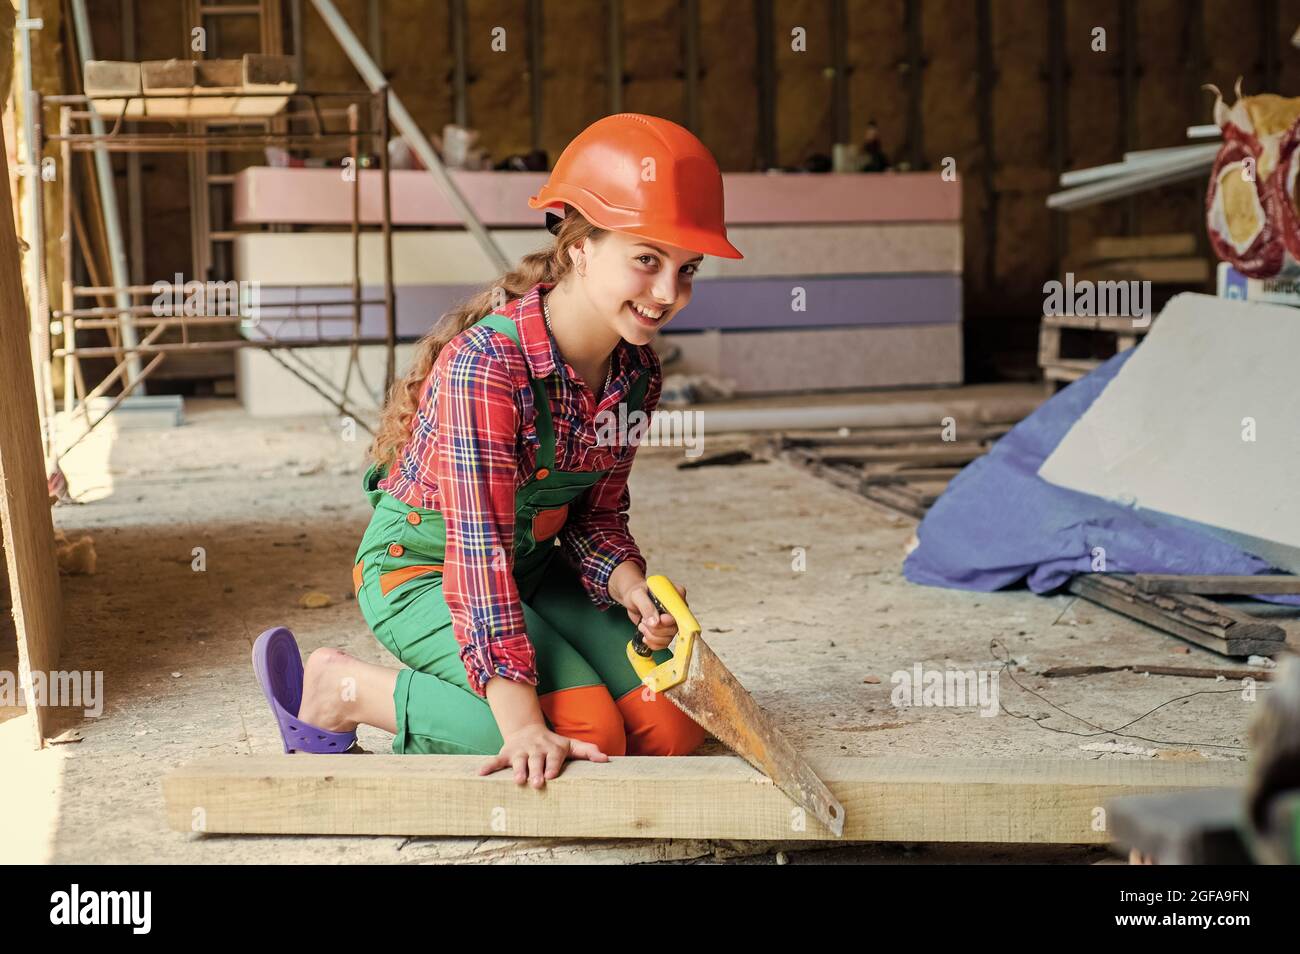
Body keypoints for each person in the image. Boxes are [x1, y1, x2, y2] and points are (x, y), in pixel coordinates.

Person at [252, 113, 744, 790]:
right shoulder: (489, 366)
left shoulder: (638, 374)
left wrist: (633, 590)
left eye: (686, 270)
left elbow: (596, 518)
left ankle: (533, 683)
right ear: (580, 247)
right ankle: (346, 690)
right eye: (646, 259)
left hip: (533, 569)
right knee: (581, 738)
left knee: (670, 725)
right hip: (424, 573)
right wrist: (520, 724)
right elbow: (477, 552)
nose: (668, 294)